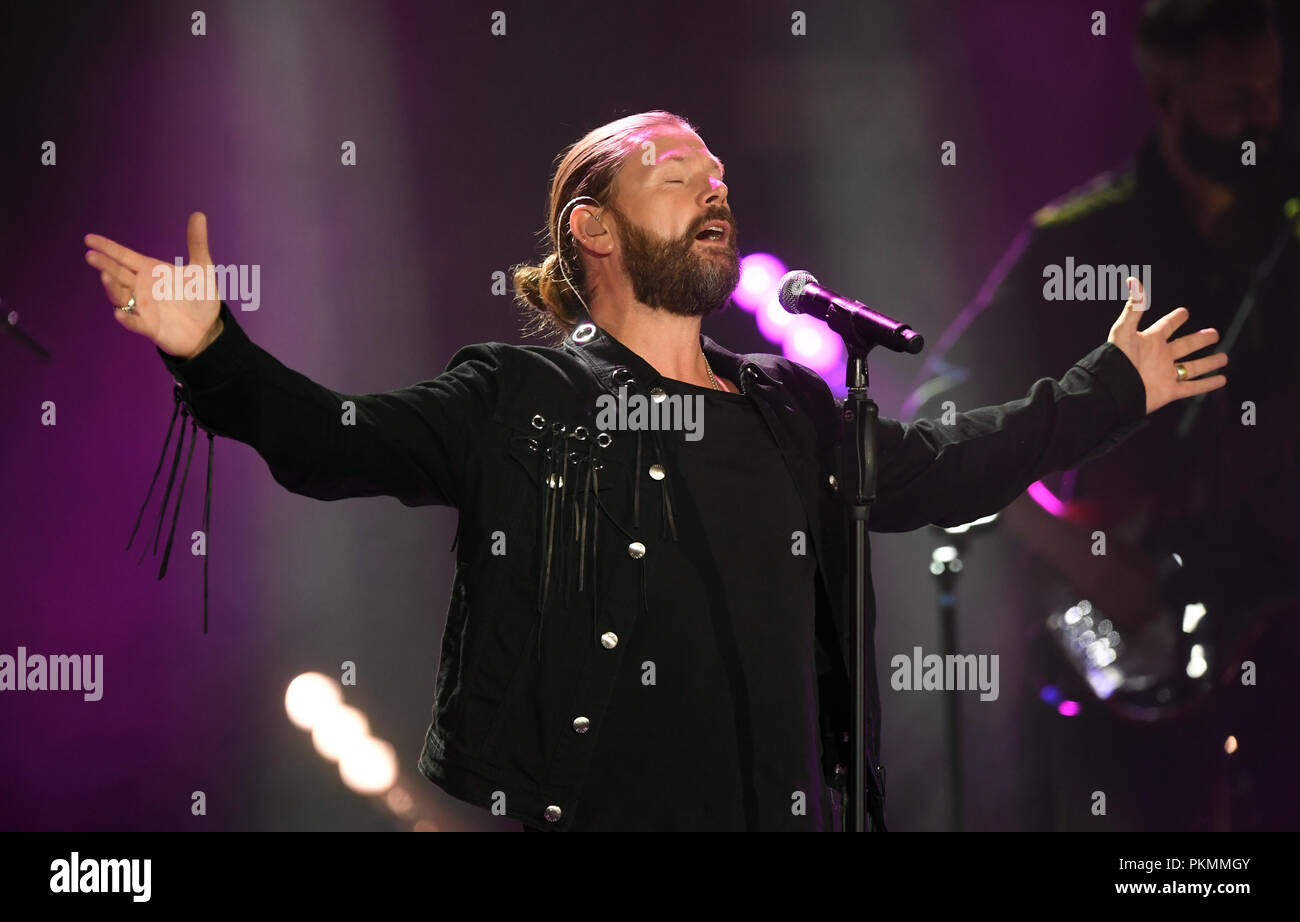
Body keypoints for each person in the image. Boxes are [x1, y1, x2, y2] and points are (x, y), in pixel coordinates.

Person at [83, 110, 1225, 832]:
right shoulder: (519, 401)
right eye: (678, 172)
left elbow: (938, 468)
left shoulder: (790, 408)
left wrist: (1108, 388)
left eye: (720, 172)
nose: (714, 186)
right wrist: (215, 354)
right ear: (592, 227)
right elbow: (337, 438)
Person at [904, 0, 1296, 827]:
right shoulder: (1080, 243)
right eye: (1236, 101)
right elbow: (941, 417)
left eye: (1274, 93)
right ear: (1165, 100)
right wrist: (1084, 556)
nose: (1266, 119)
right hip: (1139, 665)